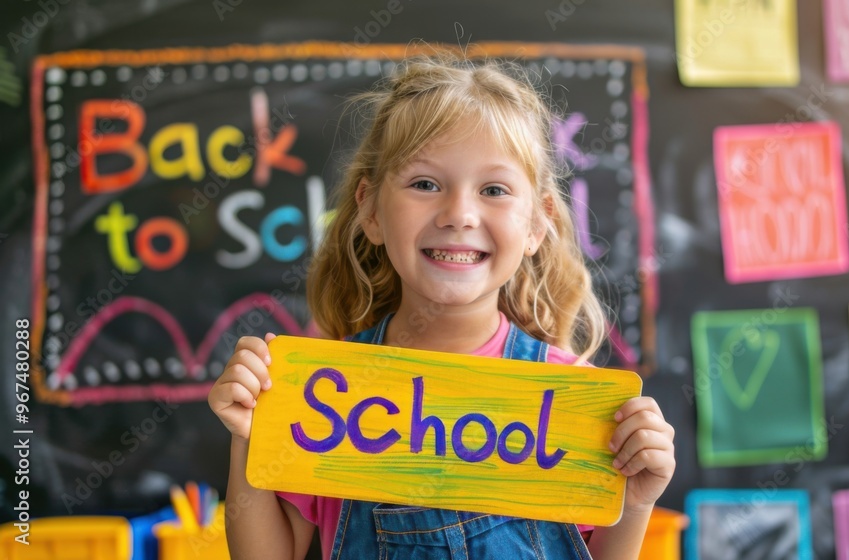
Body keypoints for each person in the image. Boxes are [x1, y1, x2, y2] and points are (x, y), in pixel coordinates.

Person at [208, 51, 675, 560]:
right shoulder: (330, 392)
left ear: (537, 225)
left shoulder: (570, 403)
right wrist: (247, 439)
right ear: (370, 211)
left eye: (494, 189)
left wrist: (635, 500)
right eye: (425, 184)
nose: (459, 214)